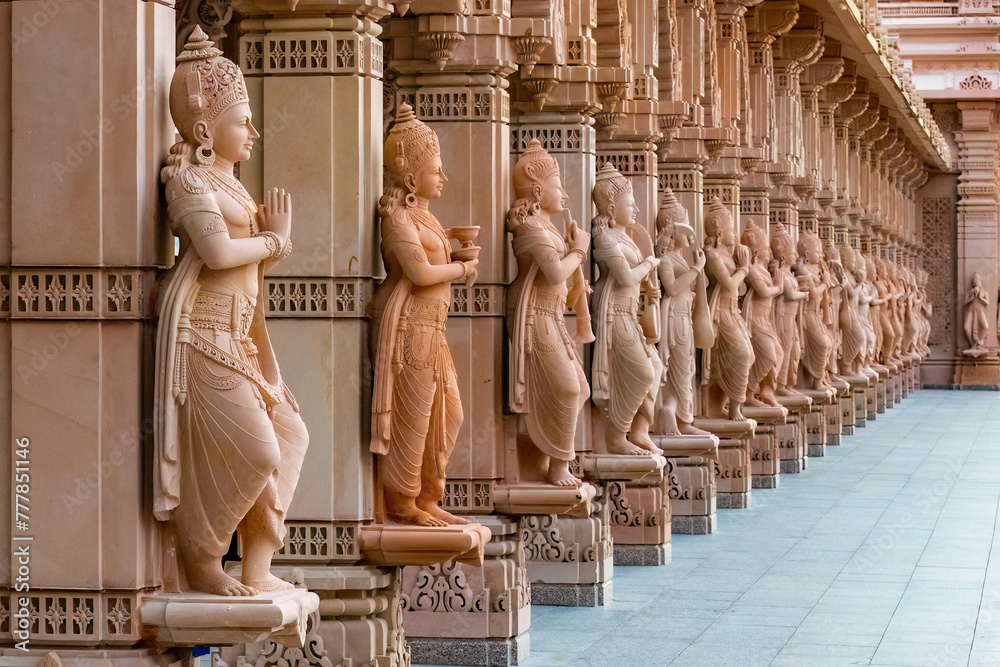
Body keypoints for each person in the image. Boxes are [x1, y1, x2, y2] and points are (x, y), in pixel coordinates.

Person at [155, 28, 308, 596]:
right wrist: (276, 242)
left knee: (290, 434)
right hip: (203, 338)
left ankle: (258, 564)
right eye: (243, 120)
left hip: (242, 338)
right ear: (203, 130)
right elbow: (218, 254)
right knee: (257, 449)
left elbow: (246, 270)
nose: (254, 130)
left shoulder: (234, 188)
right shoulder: (189, 181)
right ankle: (202, 558)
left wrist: (266, 243)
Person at [369, 103, 480, 526]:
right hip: (408, 328)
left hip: (433, 329)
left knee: (448, 414)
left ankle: (430, 496)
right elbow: (417, 272)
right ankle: (403, 501)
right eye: (436, 170)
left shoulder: (424, 216)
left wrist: (454, 250)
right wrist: (463, 267)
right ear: (412, 176)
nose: (444, 178)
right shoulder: (396, 217)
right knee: (413, 417)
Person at [506, 139, 591, 486]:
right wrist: (580, 252)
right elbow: (555, 272)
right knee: (568, 388)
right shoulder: (531, 227)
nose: (565, 195)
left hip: (552, 315)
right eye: (558, 187)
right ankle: (557, 465)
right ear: (538, 190)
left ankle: (546, 456)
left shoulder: (549, 227)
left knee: (580, 388)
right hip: (534, 316)